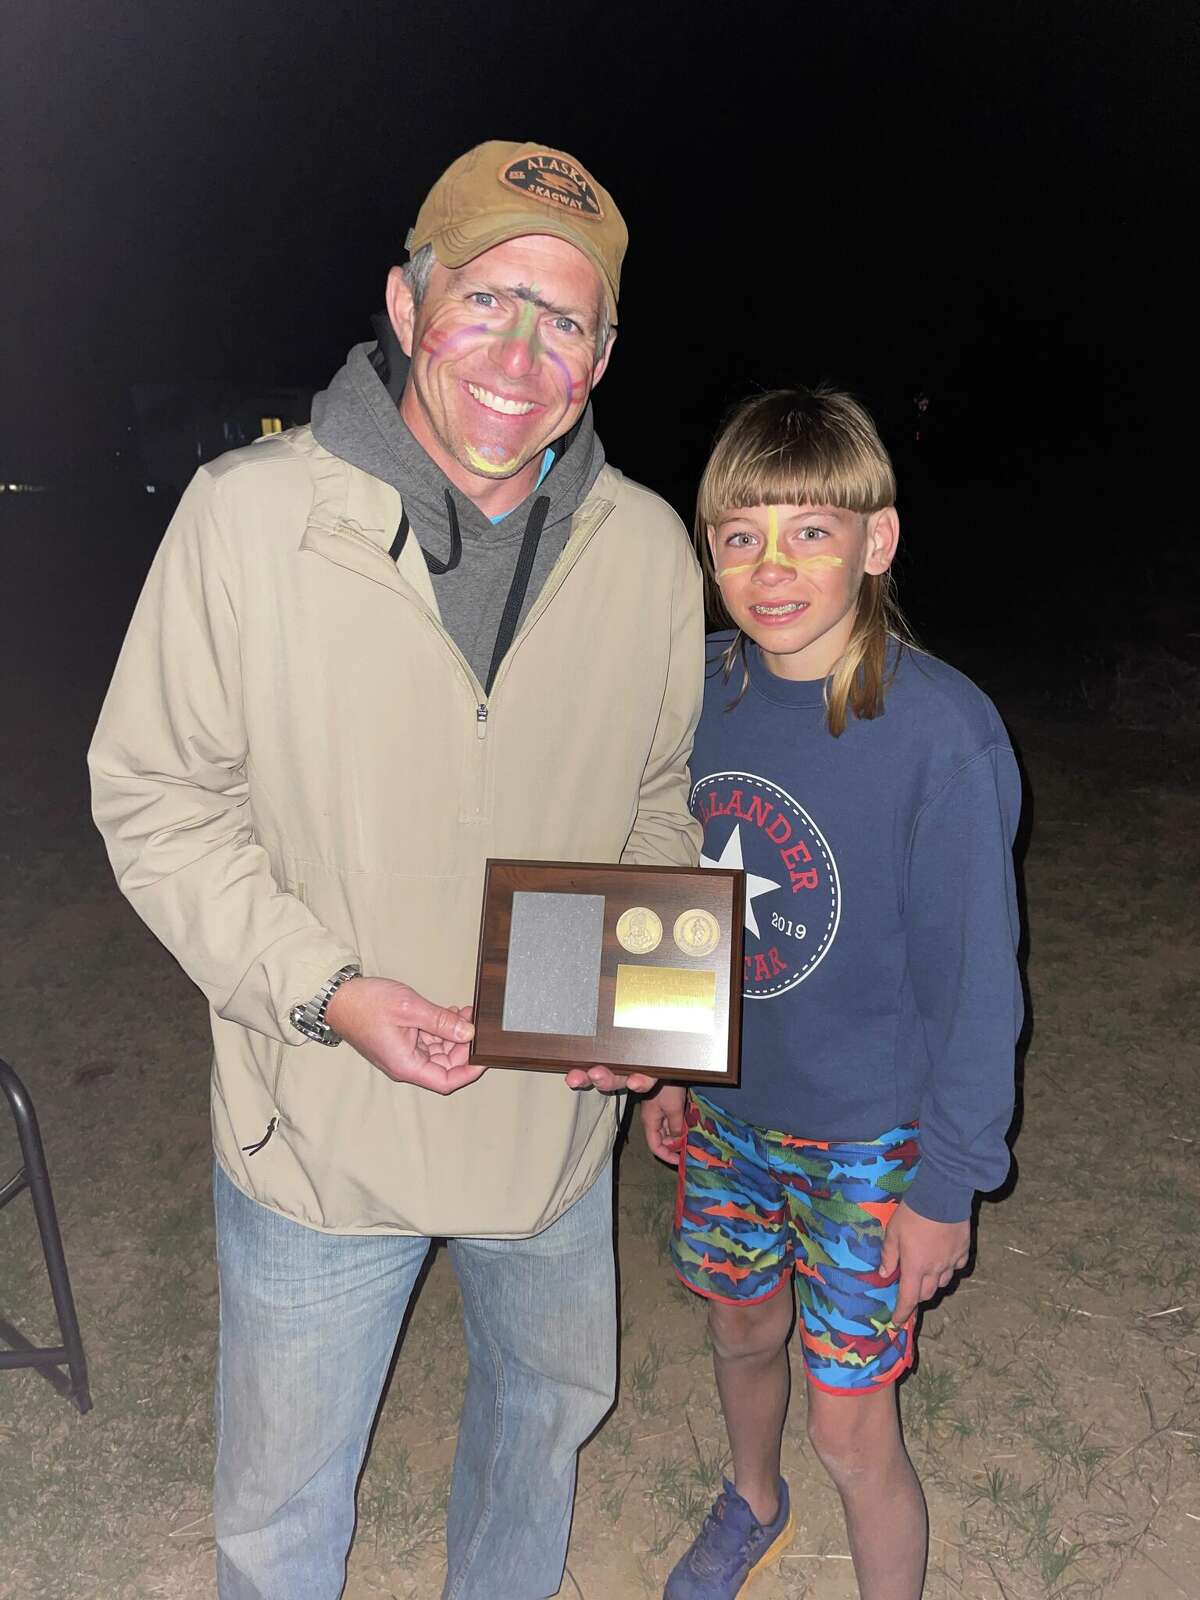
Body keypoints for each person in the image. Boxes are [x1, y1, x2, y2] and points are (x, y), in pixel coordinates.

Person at [89, 140, 704, 1600]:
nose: (520, 353)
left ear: (603, 356)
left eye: (565, 320)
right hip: (322, 1124)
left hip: (549, 1136)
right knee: (282, 1519)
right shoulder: (248, 520)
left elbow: (657, 801)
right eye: (486, 297)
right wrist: (327, 991)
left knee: (539, 1433)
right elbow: (157, 799)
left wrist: (628, 1008)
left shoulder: (647, 551)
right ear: (406, 301)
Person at [640, 388, 1022, 1600]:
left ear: (878, 539)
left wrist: (948, 1186)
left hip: (870, 1144)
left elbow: (978, 989)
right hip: (728, 1115)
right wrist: (667, 1059)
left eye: (812, 531)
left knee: (854, 1429)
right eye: (740, 535)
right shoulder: (696, 693)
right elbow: (672, 882)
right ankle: (753, 1498)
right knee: (739, 1325)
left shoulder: (940, 733)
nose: (772, 567)